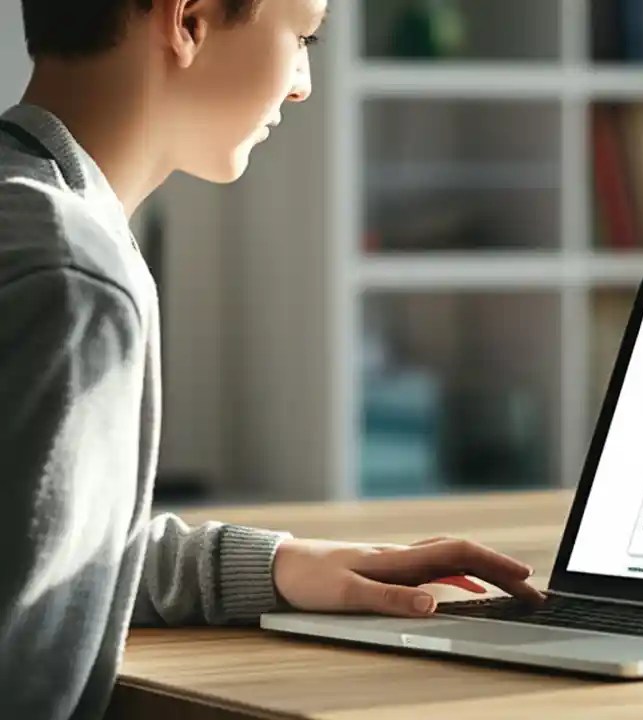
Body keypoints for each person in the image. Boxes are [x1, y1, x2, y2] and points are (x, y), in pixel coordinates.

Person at [0, 2, 543, 718]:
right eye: (302, 36)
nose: (302, 84)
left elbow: (36, 555)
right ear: (188, 20)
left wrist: (275, 565)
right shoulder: (74, 277)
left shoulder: (30, 217)